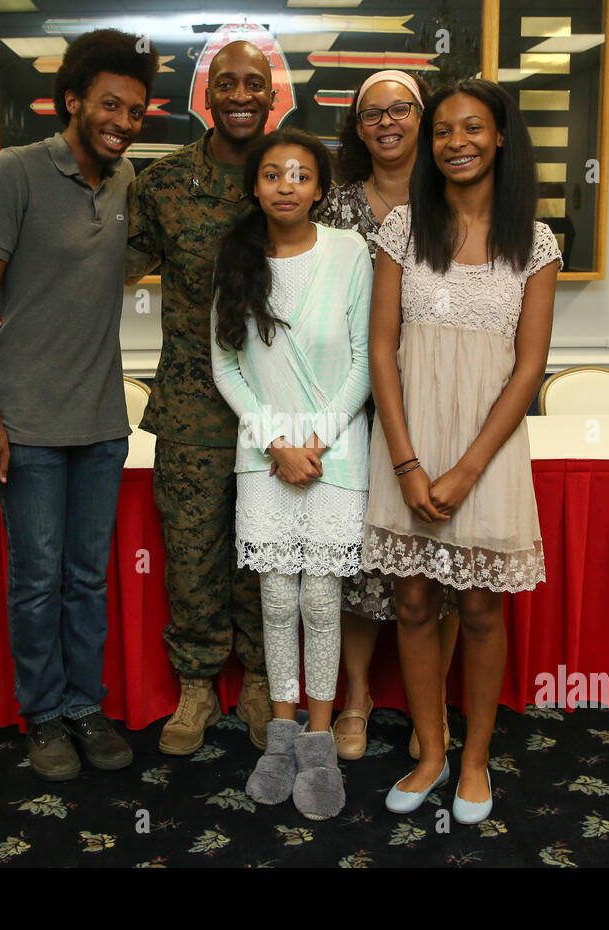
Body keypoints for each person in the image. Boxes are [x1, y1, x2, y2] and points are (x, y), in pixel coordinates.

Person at [0, 29, 159, 781]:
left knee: (87, 579)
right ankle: (41, 714)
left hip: (103, 422)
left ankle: (83, 705)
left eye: (136, 110)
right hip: (30, 424)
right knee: (36, 578)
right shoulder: (13, 174)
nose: (123, 120)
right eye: (110, 104)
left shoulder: (126, 181)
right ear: (72, 100)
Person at [363, 78, 561, 824]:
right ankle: (430, 750)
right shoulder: (401, 230)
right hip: (409, 444)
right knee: (412, 600)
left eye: (472, 128)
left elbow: (529, 367)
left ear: (502, 137)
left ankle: (476, 757)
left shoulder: (535, 242)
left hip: (488, 449)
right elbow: (382, 351)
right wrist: (409, 463)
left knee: (479, 606)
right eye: (442, 130)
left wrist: (470, 464)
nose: (456, 142)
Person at [124, 41, 282, 755]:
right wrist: (15, 299)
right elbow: (103, 268)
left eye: (255, 82)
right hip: (192, 410)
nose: (242, 94)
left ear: (271, 94)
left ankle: (257, 679)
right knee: (191, 555)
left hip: (282, 410)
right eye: (228, 83)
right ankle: (194, 685)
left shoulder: (294, 175)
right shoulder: (162, 184)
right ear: (206, 97)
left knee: (265, 556)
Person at [210, 130, 372, 820]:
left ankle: (319, 737)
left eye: (300, 175)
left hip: (335, 453)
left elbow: (367, 358)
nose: (285, 185)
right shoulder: (237, 255)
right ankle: (279, 735)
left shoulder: (350, 251)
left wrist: (317, 438)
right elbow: (227, 364)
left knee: (319, 600)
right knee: (276, 599)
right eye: (272, 174)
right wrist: (277, 441)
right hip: (265, 454)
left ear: (320, 189)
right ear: (255, 187)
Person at [313, 70, 461, 762]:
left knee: (443, 558)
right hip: (352, 405)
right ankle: (358, 697)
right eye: (373, 113)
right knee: (356, 562)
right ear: (358, 127)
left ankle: (432, 707)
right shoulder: (333, 206)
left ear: (422, 117)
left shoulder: (454, 202)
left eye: (401, 109)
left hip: (437, 399)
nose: (388, 122)